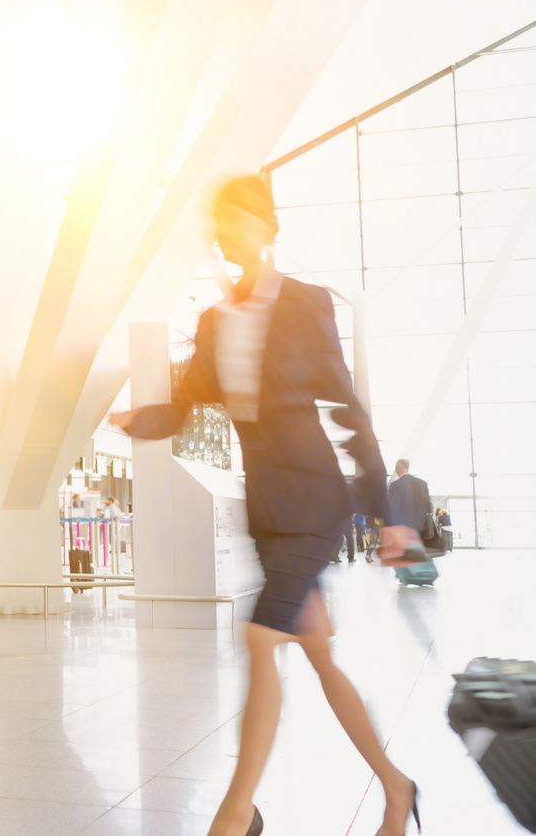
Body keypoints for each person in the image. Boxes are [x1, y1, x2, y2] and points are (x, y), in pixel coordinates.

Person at [111, 175, 419, 836]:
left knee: (258, 640)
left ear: (267, 225)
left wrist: (388, 514)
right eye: (219, 221)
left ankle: (235, 814)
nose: (224, 232)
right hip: (268, 511)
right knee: (315, 653)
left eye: (236, 218)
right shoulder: (214, 321)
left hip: (313, 502)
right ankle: (397, 789)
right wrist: (140, 418)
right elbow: (188, 403)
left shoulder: (307, 304)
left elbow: (345, 405)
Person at [389, 459, 436, 552]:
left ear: (398, 468)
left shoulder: (395, 485)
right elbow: (428, 504)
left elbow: (394, 509)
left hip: (404, 527)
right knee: (419, 551)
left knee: (407, 554)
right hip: (422, 526)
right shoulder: (422, 483)